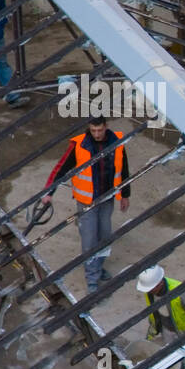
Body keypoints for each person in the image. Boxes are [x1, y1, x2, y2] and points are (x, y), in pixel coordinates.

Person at [42, 118, 130, 293]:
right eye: (93, 131)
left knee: (104, 235)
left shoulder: (117, 143)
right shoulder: (79, 145)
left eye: (99, 130)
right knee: (89, 239)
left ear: (106, 127)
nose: (96, 134)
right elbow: (61, 168)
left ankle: (98, 266)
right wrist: (49, 192)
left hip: (107, 198)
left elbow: (124, 169)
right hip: (86, 201)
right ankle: (92, 278)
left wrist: (125, 195)